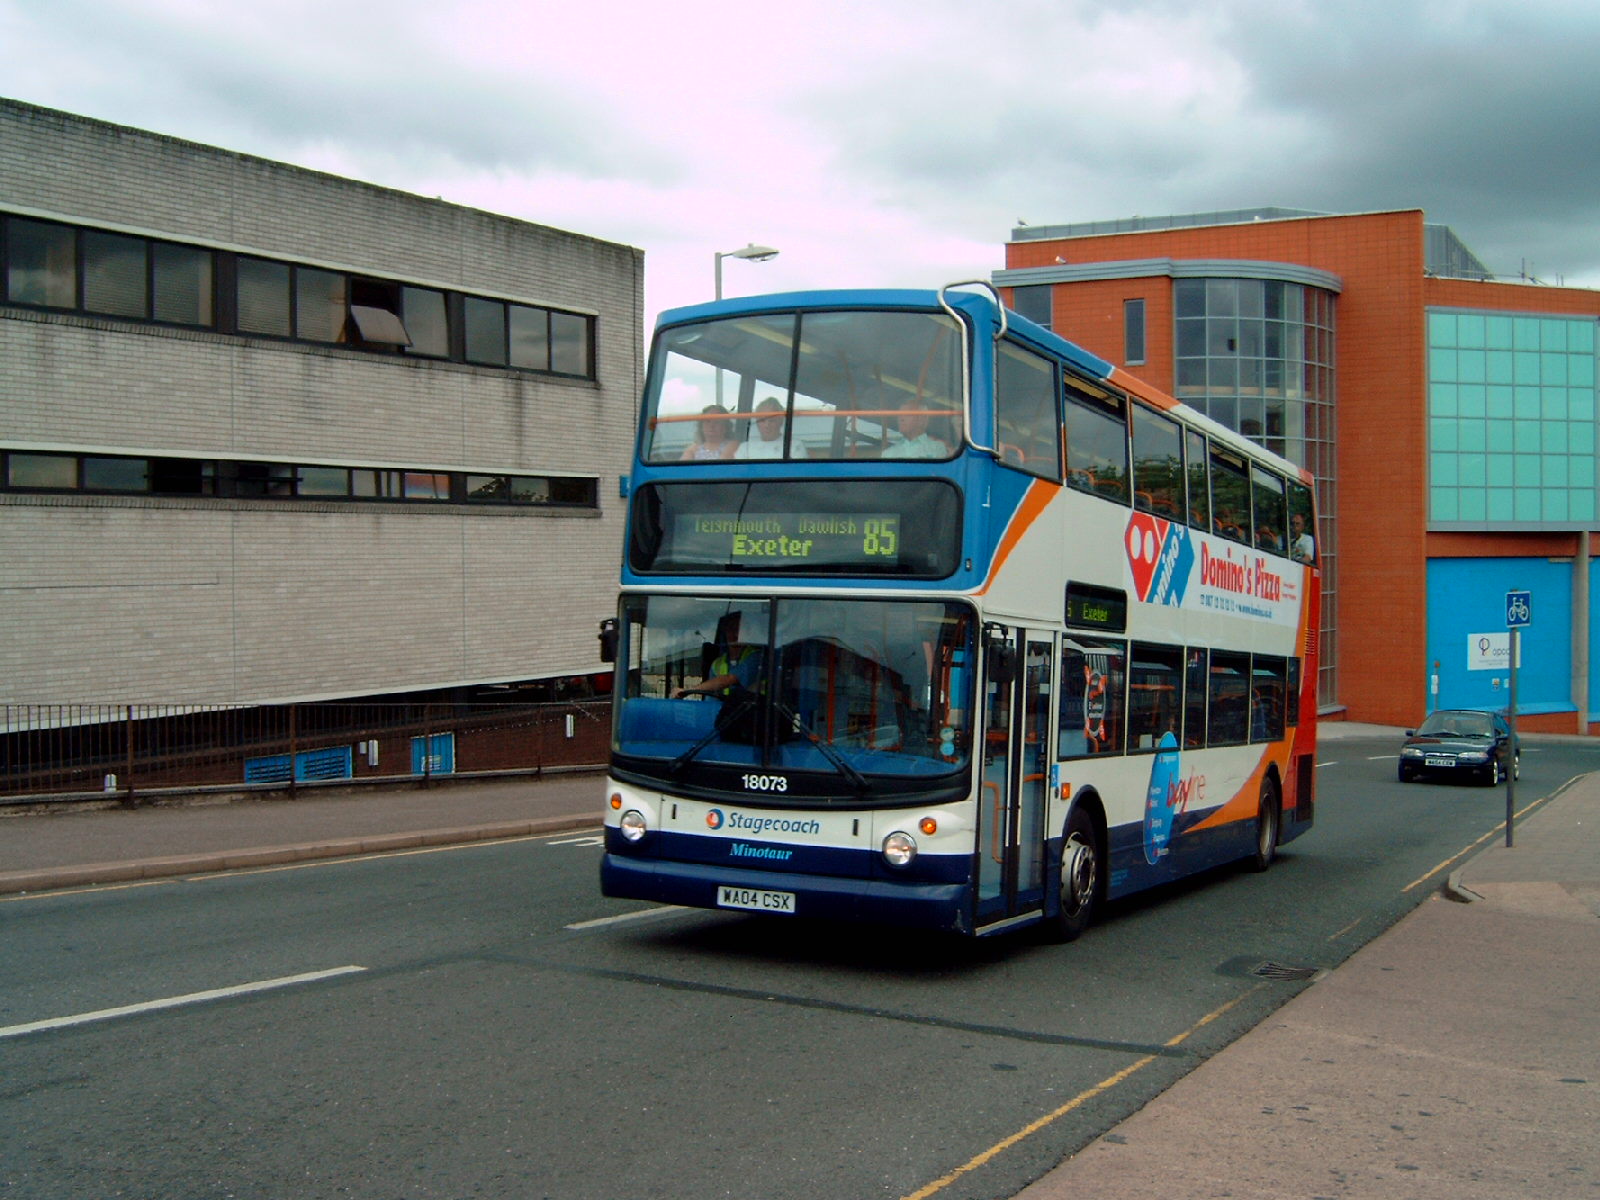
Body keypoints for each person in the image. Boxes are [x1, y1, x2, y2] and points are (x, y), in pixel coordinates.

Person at [882, 408, 947, 459]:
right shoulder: (888, 453)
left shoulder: (937, 448)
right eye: (900, 415)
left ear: (922, 419)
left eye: (907, 414)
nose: (901, 419)